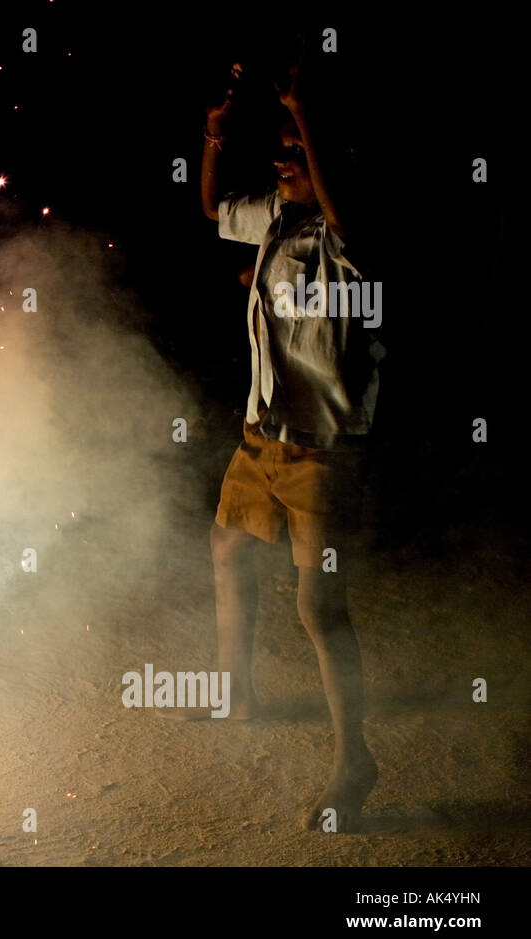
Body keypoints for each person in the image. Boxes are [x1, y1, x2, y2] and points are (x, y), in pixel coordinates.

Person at [195, 64, 384, 830]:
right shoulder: (279, 216)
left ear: (328, 158)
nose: (282, 162)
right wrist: (212, 131)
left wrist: (308, 114)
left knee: (318, 606)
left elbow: (346, 222)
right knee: (228, 549)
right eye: (280, 149)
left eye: (295, 151)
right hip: (261, 438)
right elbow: (211, 208)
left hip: (321, 453)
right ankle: (235, 692)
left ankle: (355, 762)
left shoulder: (351, 233)